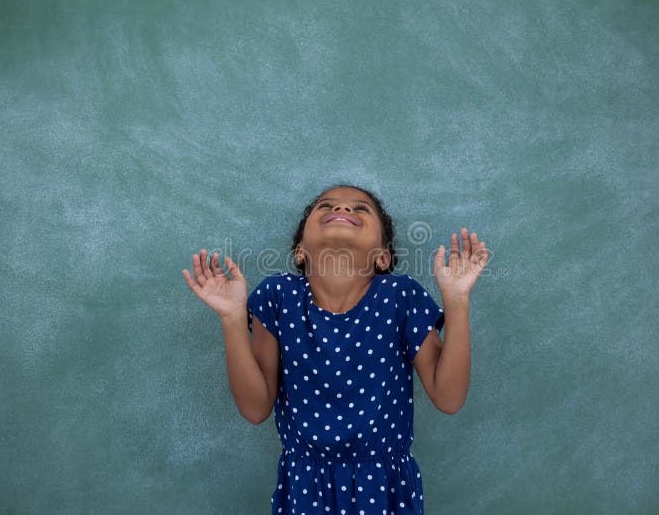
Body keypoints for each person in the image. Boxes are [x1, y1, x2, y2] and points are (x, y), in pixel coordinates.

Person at [182, 185, 488, 514]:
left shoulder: (400, 296)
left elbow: (449, 397)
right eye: (326, 206)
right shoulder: (278, 296)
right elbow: (255, 408)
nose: (343, 209)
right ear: (300, 251)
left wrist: (457, 301)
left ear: (382, 256)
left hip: (383, 488)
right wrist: (231, 318)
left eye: (361, 209)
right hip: (303, 488)